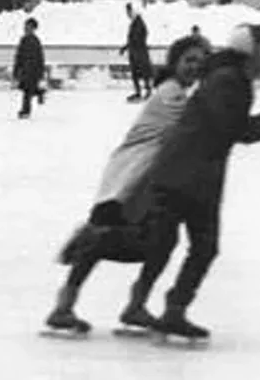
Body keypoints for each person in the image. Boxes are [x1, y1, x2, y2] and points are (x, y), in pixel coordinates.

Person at [45, 32, 211, 334]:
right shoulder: (171, 93)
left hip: (139, 177)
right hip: (132, 177)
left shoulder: (172, 90)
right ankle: (94, 299)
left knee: (158, 240)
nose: (194, 67)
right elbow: (196, 126)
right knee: (138, 241)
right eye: (189, 60)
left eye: (201, 62)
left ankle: (79, 302)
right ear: (175, 62)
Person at [126, 24, 260, 340]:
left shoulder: (228, 77)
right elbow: (227, 125)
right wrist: (256, 127)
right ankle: (167, 308)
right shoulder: (228, 80)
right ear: (250, 51)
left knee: (179, 244)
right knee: (195, 246)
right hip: (189, 176)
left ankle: (163, 306)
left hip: (188, 173)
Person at [13, 17, 46, 119]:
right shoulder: (23, 39)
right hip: (25, 69)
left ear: (33, 28)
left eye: (29, 26)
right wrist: (16, 68)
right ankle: (39, 92)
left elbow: (40, 57)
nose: (26, 28)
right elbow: (19, 55)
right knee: (27, 89)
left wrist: (40, 71)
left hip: (33, 70)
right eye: (26, 26)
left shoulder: (35, 41)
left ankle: (25, 111)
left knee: (27, 92)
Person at [119, 3, 152, 102]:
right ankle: (139, 92)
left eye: (129, 12)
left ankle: (147, 92)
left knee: (143, 72)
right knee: (135, 74)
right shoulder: (134, 23)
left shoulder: (139, 22)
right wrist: (125, 48)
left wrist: (135, 45)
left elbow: (142, 35)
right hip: (135, 53)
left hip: (140, 53)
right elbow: (132, 39)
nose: (127, 15)